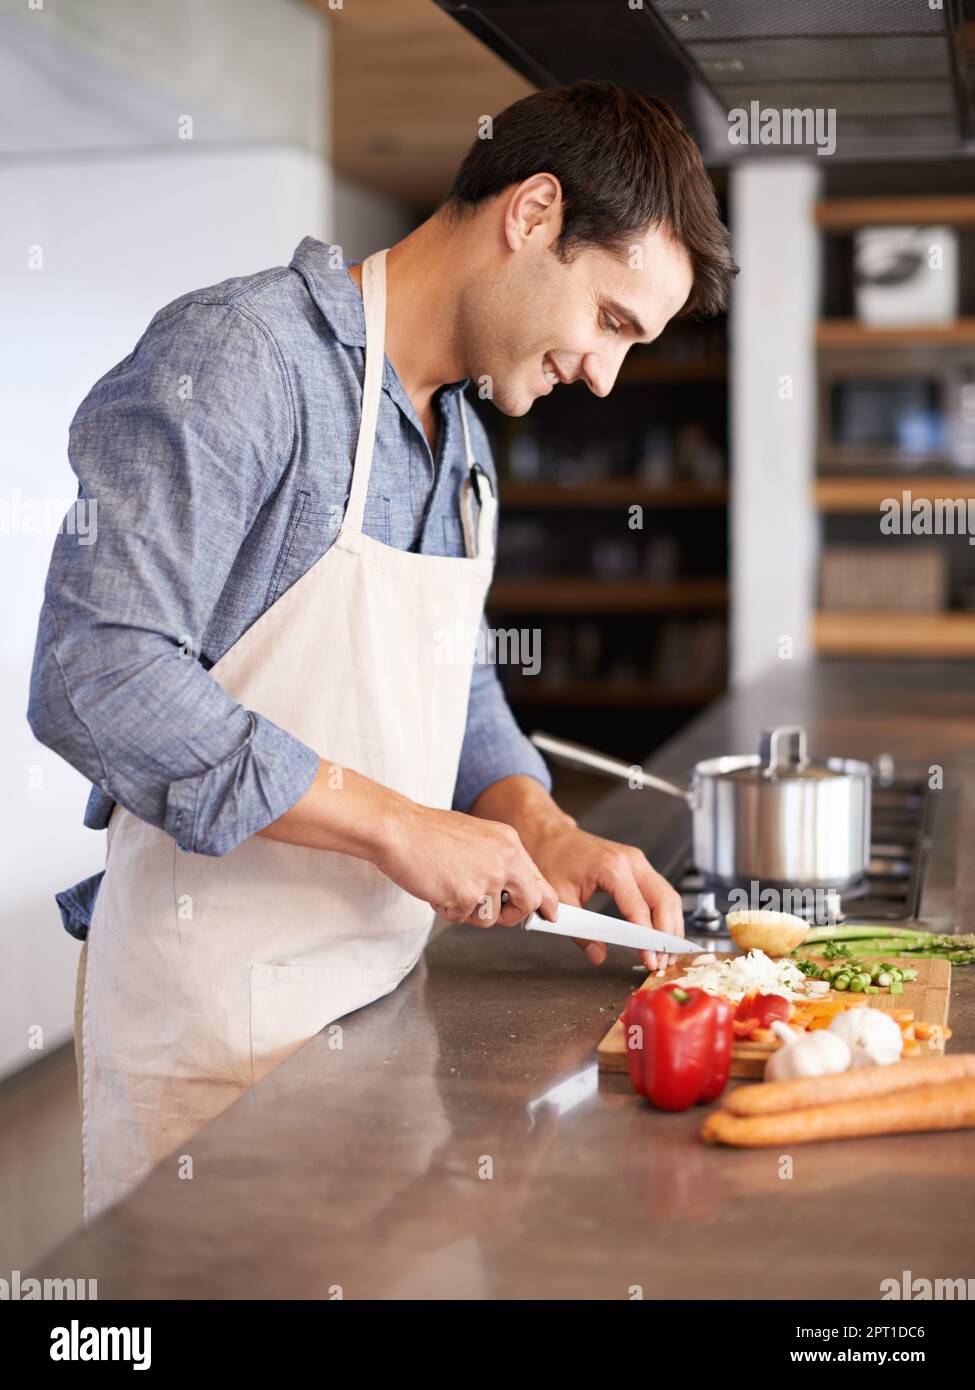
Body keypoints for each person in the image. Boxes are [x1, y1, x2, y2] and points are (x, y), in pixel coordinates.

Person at [27, 80, 736, 1221]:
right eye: (611, 321)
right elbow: (94, 671)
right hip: (214, 1040)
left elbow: (449, 685)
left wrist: (536, 823)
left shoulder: (465, 446)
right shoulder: (245, 360)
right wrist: (397, 826)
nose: (605, 374)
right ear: (535, 212)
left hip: (382, 1018)